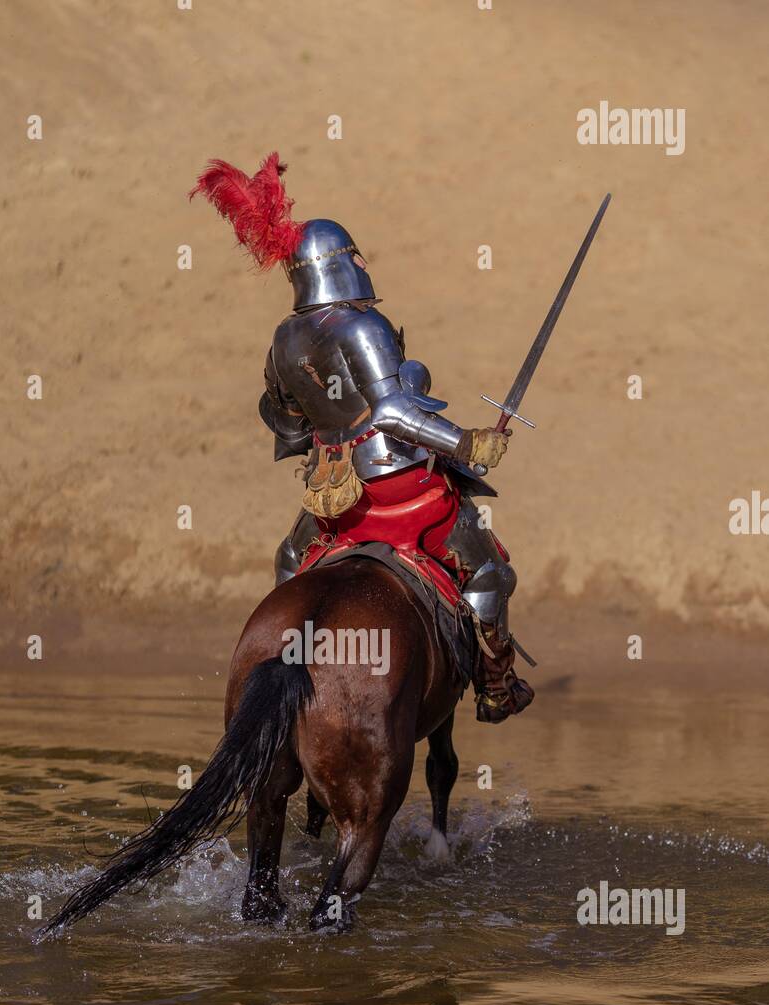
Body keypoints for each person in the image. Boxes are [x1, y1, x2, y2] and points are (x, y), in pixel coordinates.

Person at [192, 153, 533, 722]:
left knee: (291, 559)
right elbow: (394, 413)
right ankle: (496, 688)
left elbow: (285, 422)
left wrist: (329, 426)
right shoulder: (360, 323)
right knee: (490, 572)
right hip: (396, 484)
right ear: (337, 263)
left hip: (333, 496)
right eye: (353, 255)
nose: (360, 262)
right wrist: (468, 444)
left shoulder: (284, 337)